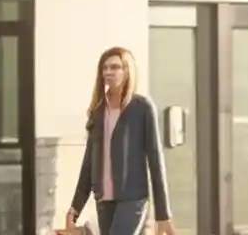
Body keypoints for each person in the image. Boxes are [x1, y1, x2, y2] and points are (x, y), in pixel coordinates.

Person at [63, 46, 175, 235]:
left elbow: (156, 162)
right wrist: (75, 207)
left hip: (132, 199)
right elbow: (89, 164)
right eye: (105, 68)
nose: (108, 72)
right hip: (104, 201)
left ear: (127, 71)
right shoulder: (98, 112)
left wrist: (163, 214)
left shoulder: (142, 108)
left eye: (114, 67)